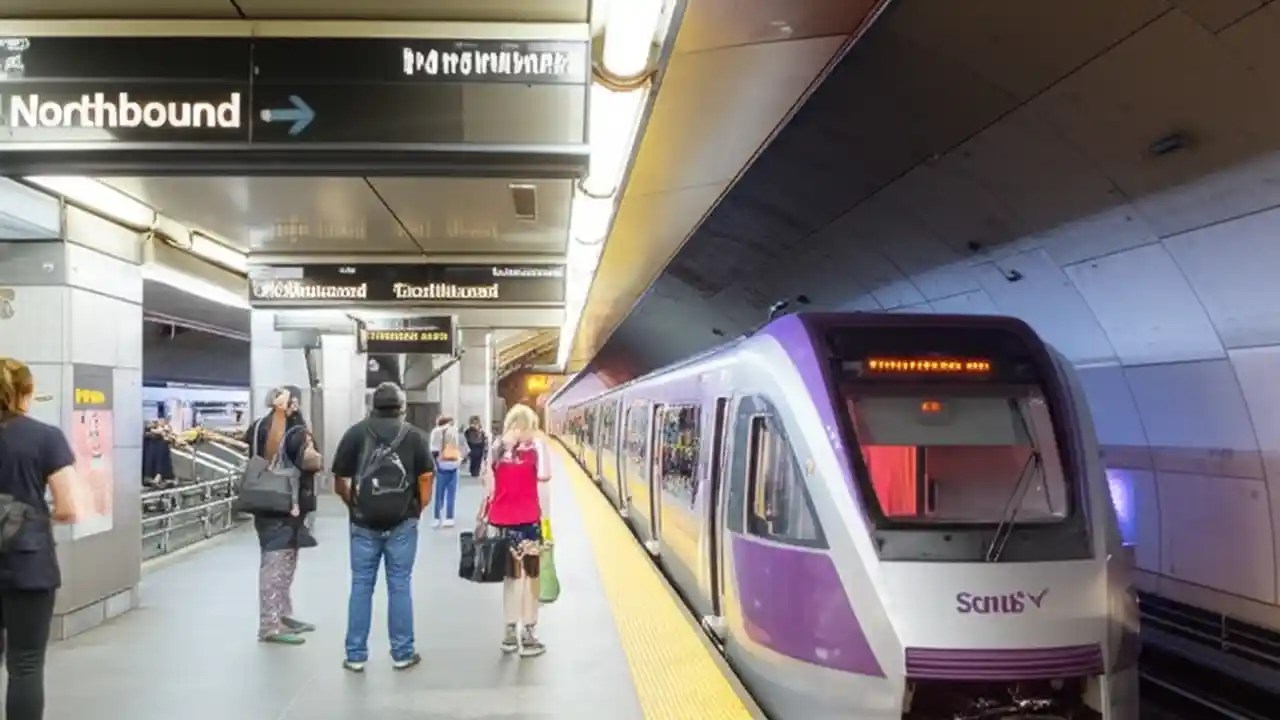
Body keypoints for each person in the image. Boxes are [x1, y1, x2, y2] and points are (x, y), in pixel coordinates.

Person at [0, 357, 84, 719]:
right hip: (27, 563)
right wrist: (27, 517)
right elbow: (68, 508)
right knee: (26, 665)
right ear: (25, 393)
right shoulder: (44, 437)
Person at [332, 382, 433, 672]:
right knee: (399, 585)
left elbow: (340, 479)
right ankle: (402, 652)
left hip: (363, 523)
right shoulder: (414, 436)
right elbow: (425, 477)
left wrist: (352, 504)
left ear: (372, 406)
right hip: (403, 523)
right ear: (402, 407)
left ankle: (355, 655)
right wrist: (417, 507)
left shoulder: (355, 433)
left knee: (361, 586)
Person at [244, 387, 322, 645]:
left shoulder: (257, 426)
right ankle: (269, 625)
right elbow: (310, 462)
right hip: (287, 503)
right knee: (276, 565)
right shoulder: (294, 431)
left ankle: (283, 615)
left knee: (283, 561)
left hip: (263, 500)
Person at [481, 404, 552, 657]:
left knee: (512, 578)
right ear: (523, 427)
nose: (533, 433)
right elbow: (544, 482)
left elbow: (487, 485)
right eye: (531, 428)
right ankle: (529, 634)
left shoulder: (496, 449)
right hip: (529, 523)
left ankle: (510, 633)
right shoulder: (537, 449)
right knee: (530, 578)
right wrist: (548, 526)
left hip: (502, 524)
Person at [430, 416, 465, 528]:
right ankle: (449, 518)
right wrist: (459, 460)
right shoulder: (455, 431)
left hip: (441, 466)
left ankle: (437, 518)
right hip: (454, 465)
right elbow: (463, 448)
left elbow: (433, 450)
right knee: (451, 493)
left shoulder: (436, 432)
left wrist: (435, 464)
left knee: (439, 493)